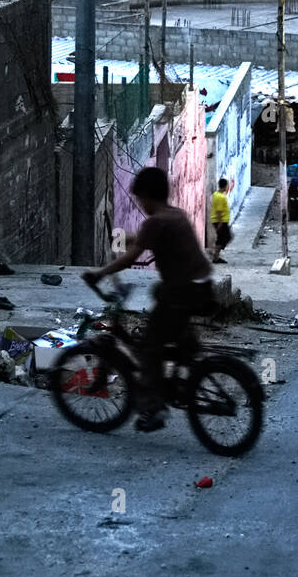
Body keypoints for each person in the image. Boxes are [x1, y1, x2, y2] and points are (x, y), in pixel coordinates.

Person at [83, 166, 215, 433]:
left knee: (148, 349)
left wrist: (100, 274)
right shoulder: (175, 215)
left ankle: (154, 408)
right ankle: (186, 353)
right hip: (199, 288)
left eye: (140, 198)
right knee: (160, 299)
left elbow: (132, 257)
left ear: (147, 195)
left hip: (182, 293)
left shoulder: (156, 222)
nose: (140, 204)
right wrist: (122, 237)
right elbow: (143, 239)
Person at [210, 177, 232, 264]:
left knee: (222, 238)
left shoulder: (215, 194)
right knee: (225, 237)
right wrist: (220, 223)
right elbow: (219, 211)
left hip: (218, 220)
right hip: (220, 221)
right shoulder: (221, 197)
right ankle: (215, 257)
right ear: (225, 186)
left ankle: (216, 256)